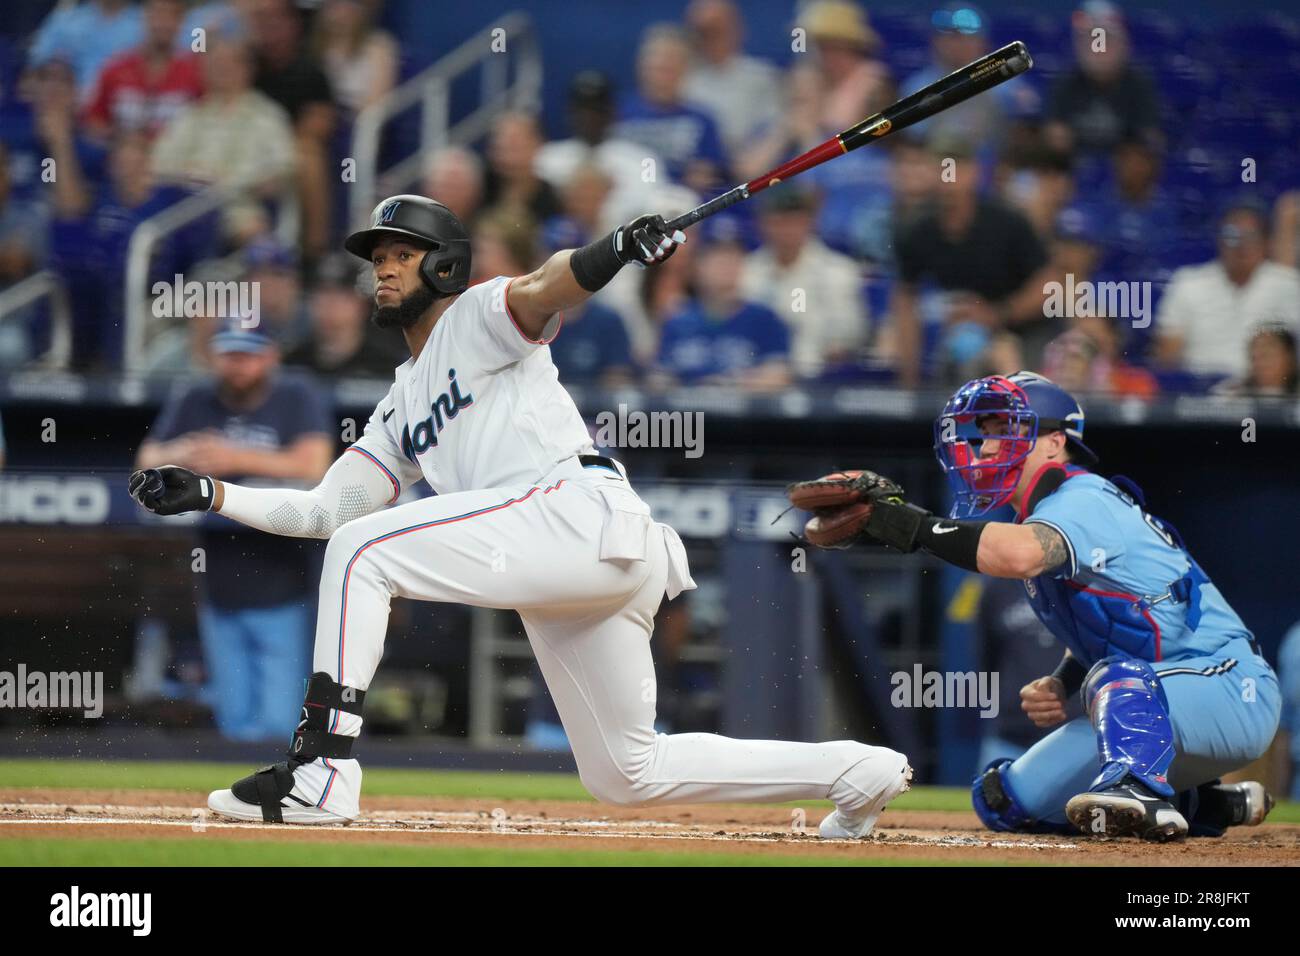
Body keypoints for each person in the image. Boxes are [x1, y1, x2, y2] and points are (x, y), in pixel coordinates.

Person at [128, 194, 911, 837]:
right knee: (627, 776)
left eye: (400, 254)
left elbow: (544, 287)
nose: (384, 269)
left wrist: (614, 250)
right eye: (377, 260)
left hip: (571, 510)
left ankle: (324, 768)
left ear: (442, 262)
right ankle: (855, 769)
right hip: (574, 560)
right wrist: (211, 494)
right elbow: (325, 510)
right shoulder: (397, 407)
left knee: (371, 554)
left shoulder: (473, 314)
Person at [789, 371, 1279, 839]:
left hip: (1229, 686)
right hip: (1156, 702)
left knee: (1115, 678)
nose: (988, 445)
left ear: (1055, 441)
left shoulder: (1084, 496)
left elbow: (1019, 554)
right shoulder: (1043, 514)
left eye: (1006, 428)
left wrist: (910, 527)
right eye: (984, 433)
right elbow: (1112, 618)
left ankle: (1140, 792)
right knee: (1004, 801)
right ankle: (1211, 804)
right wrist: (1064, 679)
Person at [135, 321, 333, 741]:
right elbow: (148, 460)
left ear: (270, 356)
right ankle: (243, 802)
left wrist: (232, 458)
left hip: (284, 576)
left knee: (280, 721)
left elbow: (314, 464)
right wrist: (187, 453)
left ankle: (278, 794)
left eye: (248, 355)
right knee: (234, 721)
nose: (237, 365)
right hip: (218, 576)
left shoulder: (295, 393)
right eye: (229, 354)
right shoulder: (196, 396)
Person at [886, 135, 1053, 386]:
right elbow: (905, 300)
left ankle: (1018, 416)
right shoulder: (917, 231)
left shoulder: (1007, 223)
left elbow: (1047, 286)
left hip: (1016, 331)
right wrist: (908, 382)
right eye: (941, 169)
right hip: (954, 335)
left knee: (1001, 355)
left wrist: (998, 313)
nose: (949, 179)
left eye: (957, 169)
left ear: (974, 173)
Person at [1154, 204, 1300, 378]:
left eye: (1250, 236)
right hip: (1201, 394)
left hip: (1266, 393)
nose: (1241, 245)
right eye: (1232, 236)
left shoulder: (1287, 284)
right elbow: (1167, 358)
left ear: (1266, 241)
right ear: (1219, 240)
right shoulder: (1188, 282)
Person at [740, 187, 867, 378]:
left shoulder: (838, 271)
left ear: (810, 222)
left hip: (821, 378)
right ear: (763, 224)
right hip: (758, 378)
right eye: (779, 222)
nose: (786, 230)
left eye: (794, 221)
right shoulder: (746, 270)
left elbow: (848, 335)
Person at [655, 216, 792, 391]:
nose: (726, 265)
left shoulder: (765, 319)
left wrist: (725, 387)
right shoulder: (677, 321)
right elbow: (658, 380)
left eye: (734, 255)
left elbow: (779, 375)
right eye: (717, 256)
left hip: (745, 416)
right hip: (690, 415)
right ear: (697, 264)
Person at [615, 24, 728, 194]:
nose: (663, 74)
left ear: (686, 70)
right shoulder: (617, 113)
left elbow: (710, 176)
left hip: (682, 203)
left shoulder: (702, 121)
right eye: (658, 66)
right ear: (642, 67)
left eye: (671, 66)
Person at [82, 0, 203, 142]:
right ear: (144, 17)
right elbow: (94, 118)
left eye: (172, 16)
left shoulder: (196, 71)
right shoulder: (115, 68)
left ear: (181, 23)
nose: (163, 23)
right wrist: (117, 143)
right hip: (121, 156)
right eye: (157, 14)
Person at [681, 0, 781, 167]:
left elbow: (774, 128)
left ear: (735, 30)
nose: (710, 39)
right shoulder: (683, 80)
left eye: (716, 30)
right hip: (697, 170)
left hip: (749, 165)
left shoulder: (761, 77)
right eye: (703, 32)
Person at [283, 253, 404, 378]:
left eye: (341, 296)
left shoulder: (386, 364)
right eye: (321, 294)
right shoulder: (293, 363)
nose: (328, 305)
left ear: (362, 306)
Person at [27, 0, 144, 100]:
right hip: (67, 106)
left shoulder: (144, 24)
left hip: (123, 108)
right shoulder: (64, 20)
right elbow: (36, 68)